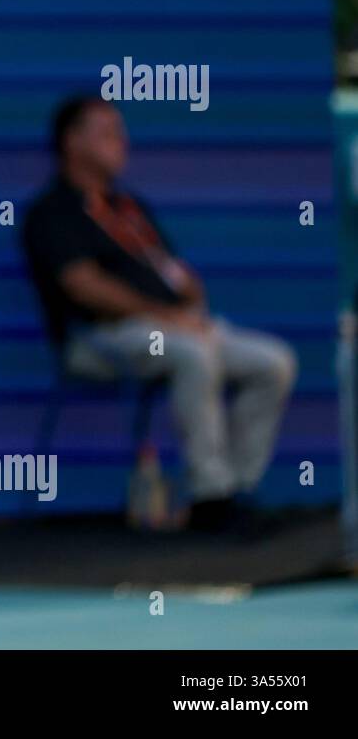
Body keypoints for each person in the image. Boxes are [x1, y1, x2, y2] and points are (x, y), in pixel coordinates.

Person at [21, 94, 297, 534]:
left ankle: (239, 489)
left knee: (273, 362)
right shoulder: (51, 212)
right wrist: (167, 319)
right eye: (108, 133)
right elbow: (84, 286)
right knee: (192, 354)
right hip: (98, 340)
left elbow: (177, 276)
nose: (121, 142)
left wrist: (189, 299)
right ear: (72, 142)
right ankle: (211, 495)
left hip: (174, 327)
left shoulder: (129, 209)